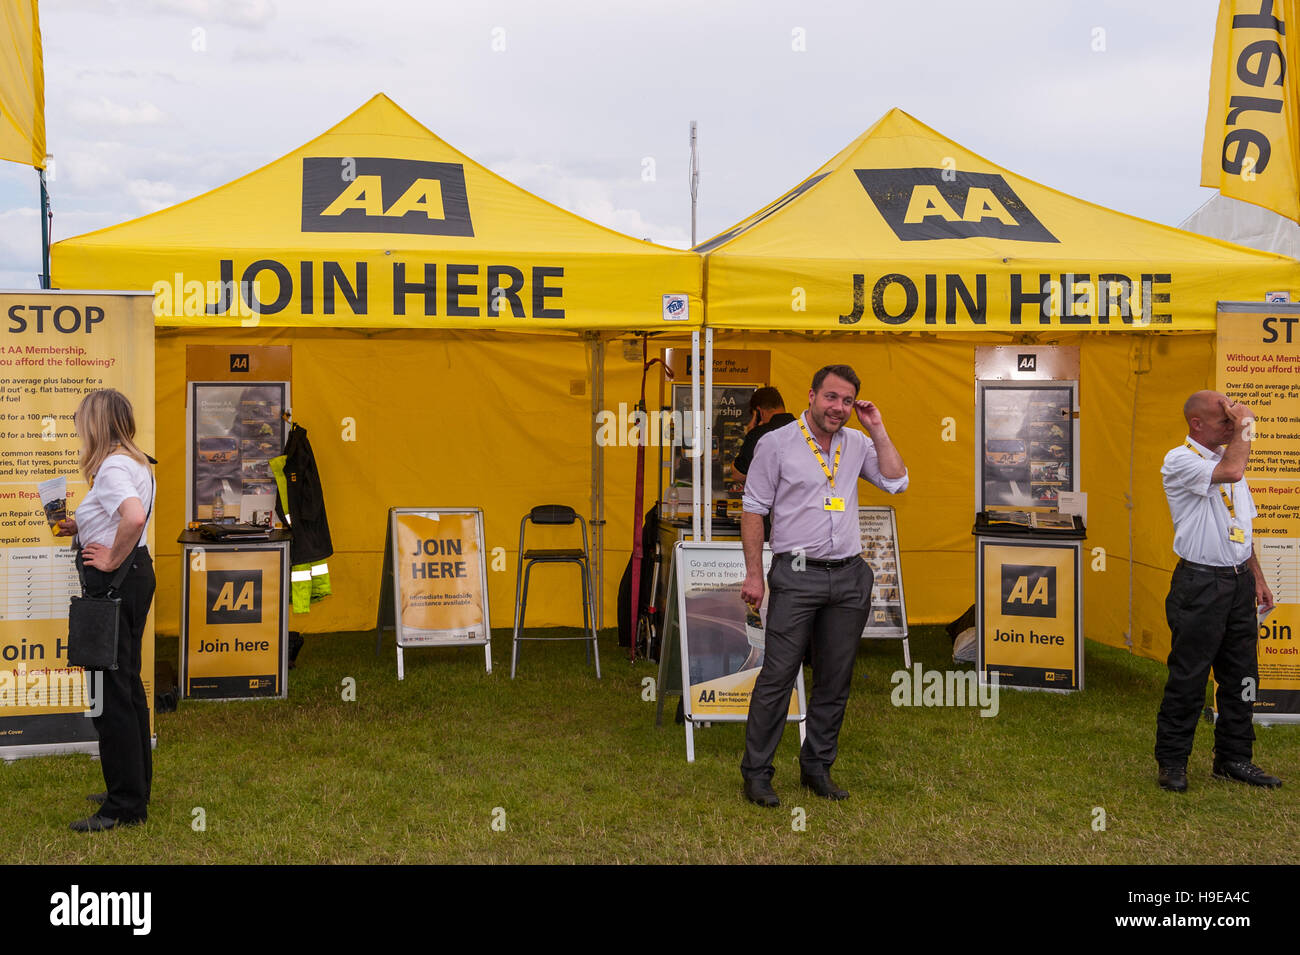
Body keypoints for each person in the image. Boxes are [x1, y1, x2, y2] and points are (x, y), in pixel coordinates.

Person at [738, 364, 907, 806]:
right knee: (778, 675)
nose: (839, 408)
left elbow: (896, 481)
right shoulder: (776, 444)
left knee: (835, 679)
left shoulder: (856, 442)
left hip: (849, 574)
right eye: (831, 397)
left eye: (847, 401)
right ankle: (757, 774)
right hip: (795, 572)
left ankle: (817, 768)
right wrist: (755, 574)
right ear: (811, 395)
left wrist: (878, 428)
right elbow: (753, 509)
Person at [1155, 390, 1280, 792]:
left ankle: (1234, 758)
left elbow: (1243, 529)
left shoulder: (1230, 463)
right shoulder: (1181, 460)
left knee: (1242, 675)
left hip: (1238, 579)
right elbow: (1232, 472)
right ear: (1196, 424)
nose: (1231, 425)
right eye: (1223, 419)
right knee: (1189, 675)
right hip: (1201, 583)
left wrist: (1256, 577)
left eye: (1232, 420)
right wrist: (1247, 422)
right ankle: (1173, 761)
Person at [57, 389, 157, 830]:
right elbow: (122, 516)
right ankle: (132, 786)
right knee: (127, 687)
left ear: (96, 422)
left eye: (81, 419)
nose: (78, 426)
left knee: (110, 695)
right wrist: (82, 524)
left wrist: (112, 559)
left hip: (116, 582)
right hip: (135, 579)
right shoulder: (135, 462)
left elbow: (133, 518)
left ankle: (123, 807)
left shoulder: (114, 465)